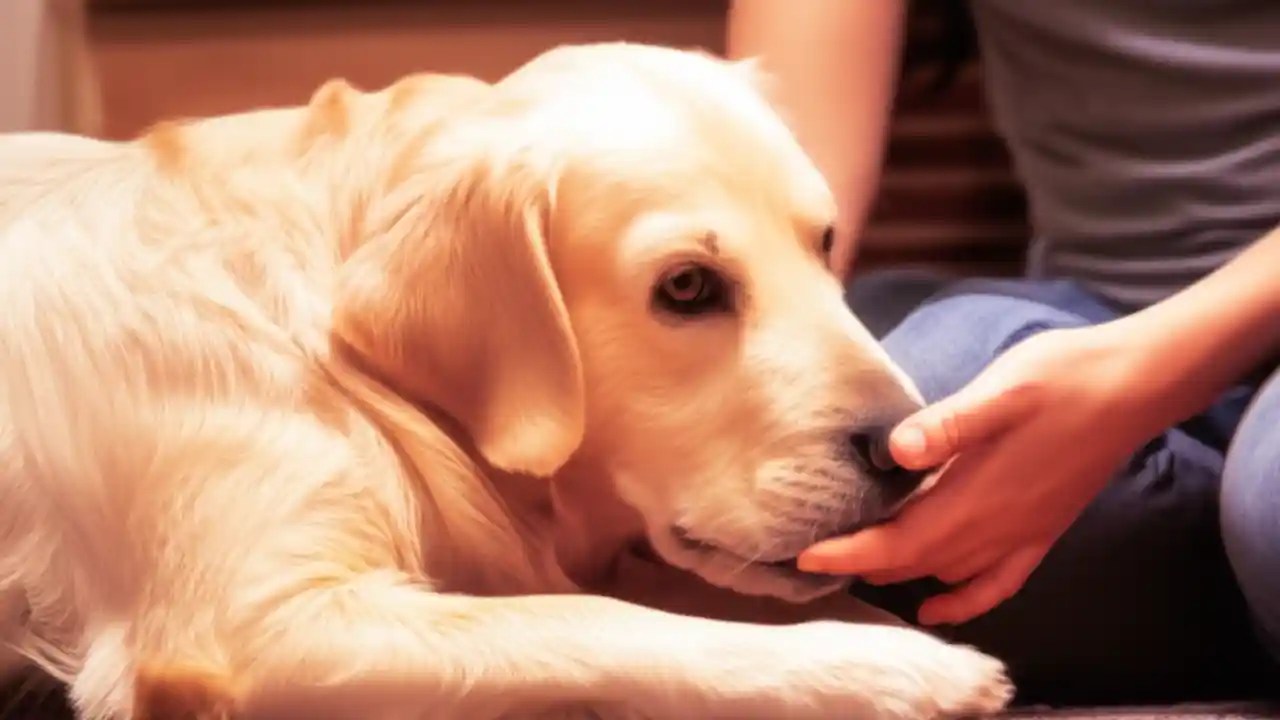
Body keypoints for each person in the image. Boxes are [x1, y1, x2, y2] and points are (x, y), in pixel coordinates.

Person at [728, 0, 1280, 705]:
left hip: (1171, 346)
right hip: (1091, 307)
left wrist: (1138, 378)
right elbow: (786, 177)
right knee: (913, 426)